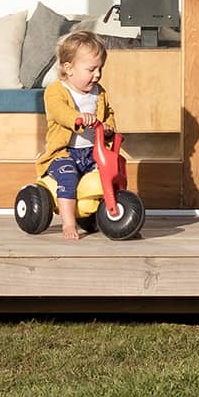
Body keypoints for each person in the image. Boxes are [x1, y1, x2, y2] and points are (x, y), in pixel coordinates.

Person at [36, 29, 117, 242]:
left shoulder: (99, 92)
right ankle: (69, 223)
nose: (97, 75)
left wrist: (108, 127)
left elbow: (108, 113)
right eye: (91, 69)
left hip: (91, 152)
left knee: (109, 171)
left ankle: (104, 210)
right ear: (68, 68)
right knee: (68, 176)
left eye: (100, 69)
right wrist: (77, 117)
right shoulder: (56, 91)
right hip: (64, 154)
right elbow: (59, 112)